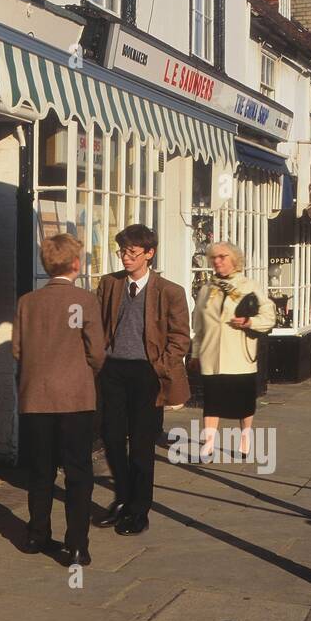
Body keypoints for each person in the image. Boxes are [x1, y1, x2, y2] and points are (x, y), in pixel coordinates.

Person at [12, 234, 106, 567]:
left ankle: (36, 535)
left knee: (40, 470)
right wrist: (82, 371)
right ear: (76, 264)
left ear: (46, 264)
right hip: (75, 398)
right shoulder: (83, 301)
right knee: (78, 472)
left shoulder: (27, 302)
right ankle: (77, 545)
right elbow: (97, 351)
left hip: (36, 397)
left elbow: (17, 350)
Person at [94, 224, 191, 536]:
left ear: (149, 254)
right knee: (110, 438)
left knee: (141, 445)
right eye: (122, 251)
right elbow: (97, 326)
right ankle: (122, 500)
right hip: (112, 372)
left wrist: (159, 366)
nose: (125, 257)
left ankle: (139, 510)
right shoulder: (109, 284)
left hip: (147, 375)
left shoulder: (171, 292)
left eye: (132, 253)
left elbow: (180, 338)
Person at [191, 242, 277, 461]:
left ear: (235, 259)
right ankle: (208, 443)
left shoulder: (250, 286)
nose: (217, 261)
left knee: (243, 401)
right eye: (214, 258)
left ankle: (245, 438)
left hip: (240, 355)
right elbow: (198, 326)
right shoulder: (206, 289)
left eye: (222, 257)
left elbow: (269, 317)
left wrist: (249, 321)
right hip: (211, 355)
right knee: (211, 401)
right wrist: (194, 354)